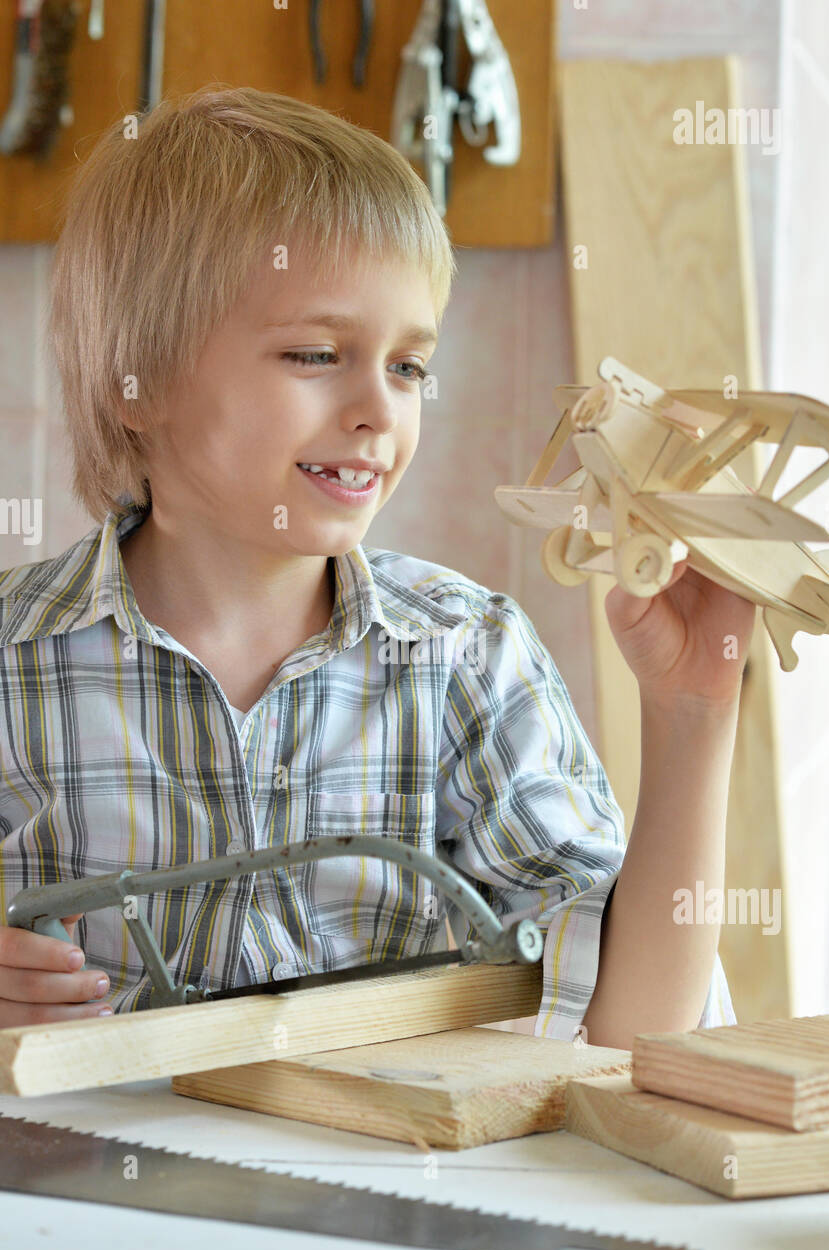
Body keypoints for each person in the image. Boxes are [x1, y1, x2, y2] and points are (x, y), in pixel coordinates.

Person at [0, 86, 748, 1047]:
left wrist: (694, 711)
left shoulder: (464, 656)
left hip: (380, 1195)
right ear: (135, 380)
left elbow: (632, 1032)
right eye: (316, 353)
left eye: (407, 367)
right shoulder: (15, 661)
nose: (378, 411)